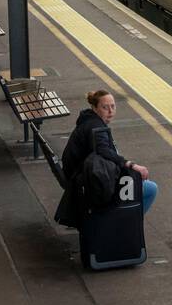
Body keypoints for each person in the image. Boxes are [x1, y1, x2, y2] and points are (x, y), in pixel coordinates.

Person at [59, 89, 156, 221]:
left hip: (84, 177)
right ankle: (128, 224)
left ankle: (126, 221)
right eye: (105, 107)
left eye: (113, 106)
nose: (110, 111)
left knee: (142, 182)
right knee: (150, 188)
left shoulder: (88, 121)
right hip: (90, 183)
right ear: (94, 108)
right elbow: (103, 150)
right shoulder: (96, 127)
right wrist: (131, 165)